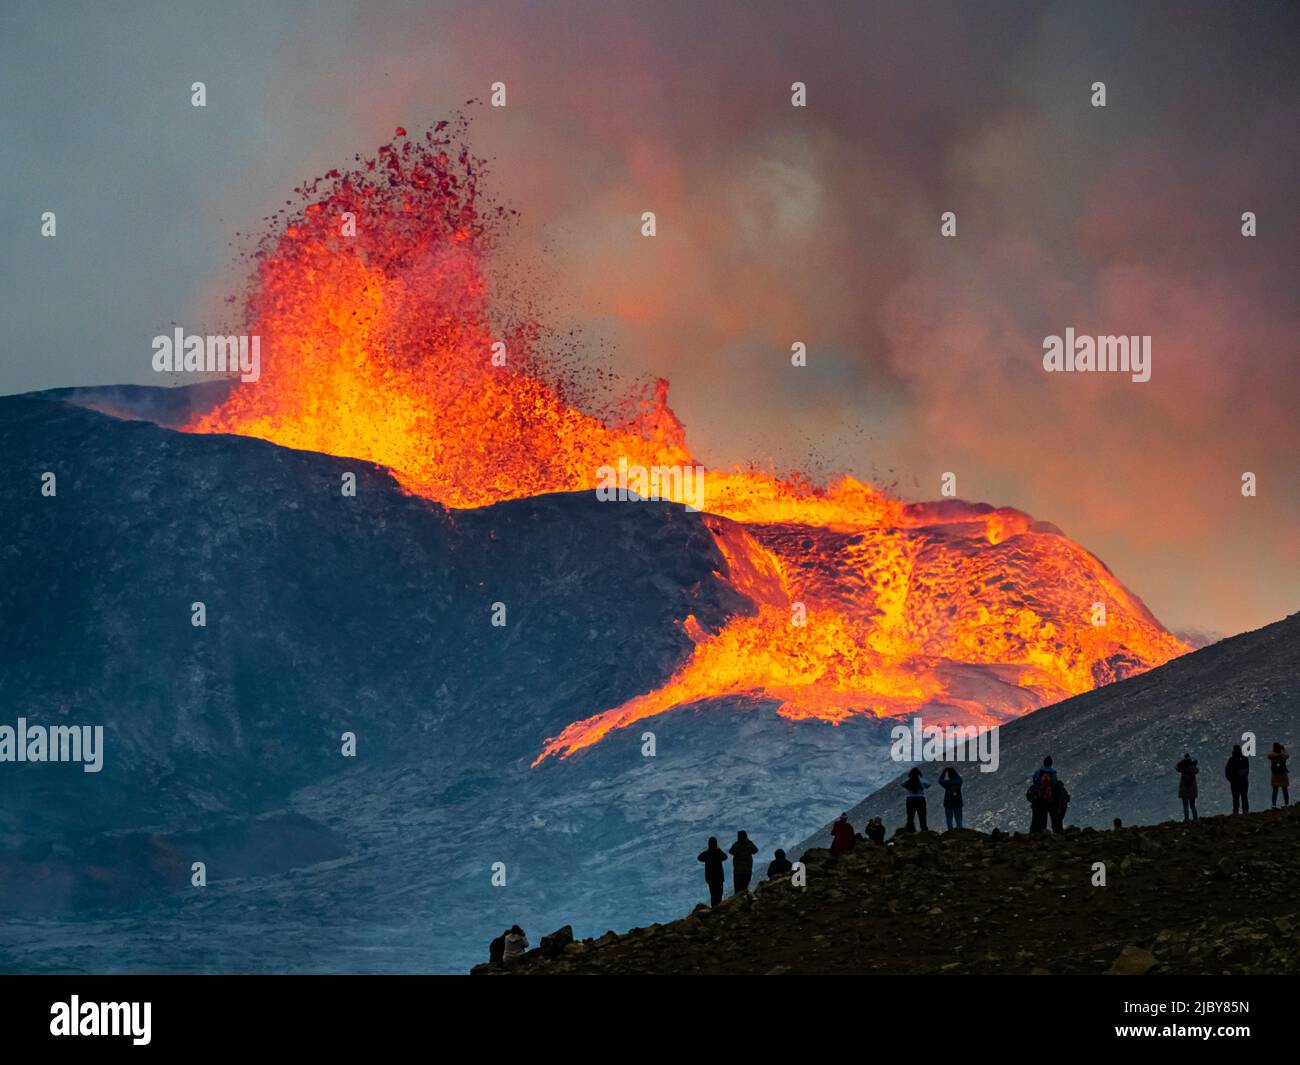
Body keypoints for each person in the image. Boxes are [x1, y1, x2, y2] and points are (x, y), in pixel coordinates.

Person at [1027, 756, 1058, 833]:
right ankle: (1043, 831)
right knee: (1044, 815)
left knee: (1035, 816)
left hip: (1037, 795)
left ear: (1044, 763)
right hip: (1047, 797)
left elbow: (1034, 779)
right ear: (1051, 763)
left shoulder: (1039, 771)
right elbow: (1054, 782)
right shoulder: (1053, 772)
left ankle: (1033, 832)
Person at [698, 837, 728, 906]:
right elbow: (725, 857)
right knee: (719, 894)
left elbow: (699, 857)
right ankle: (718, 908)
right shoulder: (718, 853)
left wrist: (707, 850)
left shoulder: (707, 854)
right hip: (719, 877)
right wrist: (719, 850)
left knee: (713, 895)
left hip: (710, 878)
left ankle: (714, 909)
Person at [901, 767, 929, 831]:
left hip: (910, 798)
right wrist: (921, 777)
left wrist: (909, 777)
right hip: (920, 798)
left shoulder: (908, 781)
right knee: (922, 815)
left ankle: (911, 829)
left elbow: (902, 784)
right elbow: (928, 785)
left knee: (910, 815)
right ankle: (924, 829)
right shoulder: (921, 780)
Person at [1225, 744, 1250, 813]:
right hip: (1243, 781)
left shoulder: (1231, 760)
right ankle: (1245, 810)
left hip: (1235, 782)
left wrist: (1231, 779)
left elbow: (1227, 771)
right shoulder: (1244, 759)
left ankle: (1236, 811)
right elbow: (1246, 772)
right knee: (1244, 797)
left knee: (1236, 798)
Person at [1176, 753, 1199, 821]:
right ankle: (1195, 819)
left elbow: (1177, 768)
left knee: (1185, 806)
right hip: (1192, 790)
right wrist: (1193, 764)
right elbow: (1197, 770)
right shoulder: (1193, 768)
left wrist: (1182, 762)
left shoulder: (1183, 768)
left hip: (1184, 789)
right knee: (1192, 805)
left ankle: (1186, 819)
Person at [1267, 743, 1290, 807]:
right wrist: (1283, 750)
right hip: (1283, 775)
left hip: (1275, 775)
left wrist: (1275, 751)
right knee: (1285, 790)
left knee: (1275, 791)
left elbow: (1269, 755)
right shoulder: (1283, 755)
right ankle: (1286, 804)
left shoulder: (1272, 755)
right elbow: (1287, 755)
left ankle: (1274, 805)